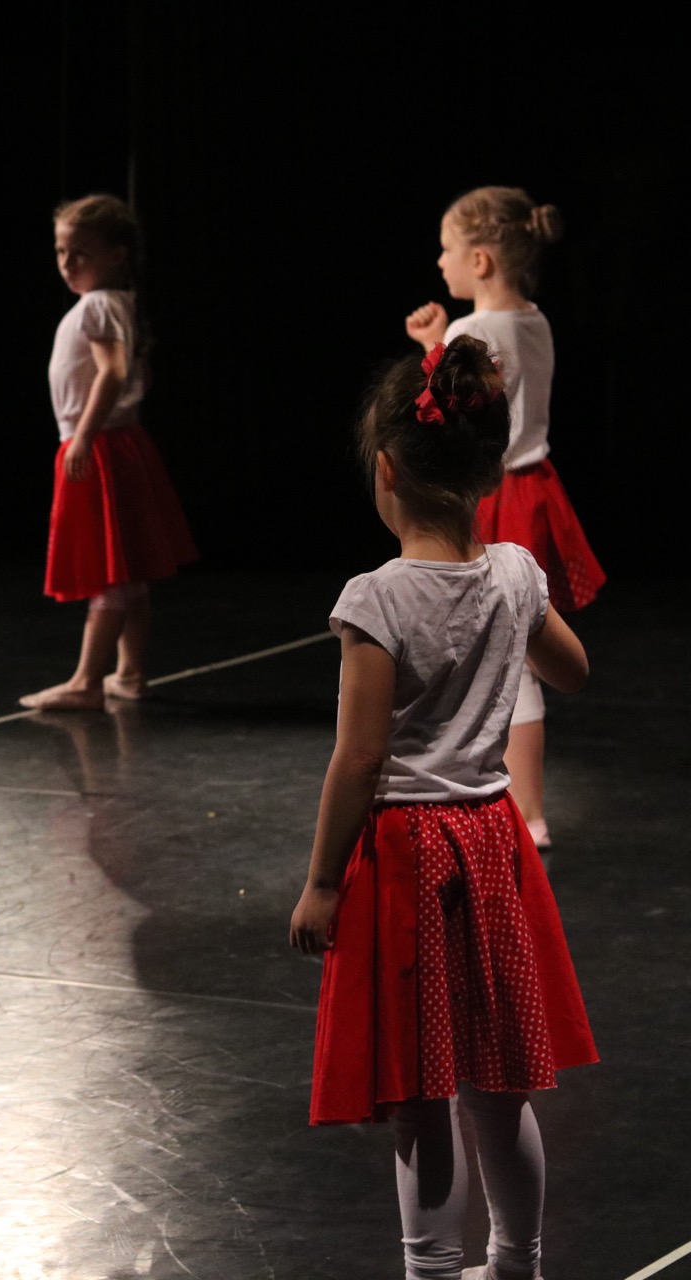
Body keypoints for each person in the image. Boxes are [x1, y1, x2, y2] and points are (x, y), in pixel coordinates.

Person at [290, 338, 596, 1280]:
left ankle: (432, 1271)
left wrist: (317, 883)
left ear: (386, 473)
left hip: (405, 857)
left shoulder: (377, 599)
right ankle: (516, 1264)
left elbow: (361, 755)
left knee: (422, 1091)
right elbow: (572, 670)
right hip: (492, 842)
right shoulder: (513, 573)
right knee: (501, 1085)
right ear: (490, 469)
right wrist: (515, 626)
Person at [404, 186, 601, 849]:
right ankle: (525, 806)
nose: (440, 262)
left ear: (481, 261)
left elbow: (454, 409)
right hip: (537, 490)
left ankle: (522, 810)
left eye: (448, 249)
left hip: (493, 498)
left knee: (504, 657)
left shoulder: (473, 332)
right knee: (515, 647)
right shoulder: (536, 322)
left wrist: (437, 350)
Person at [20, 195, 195, 711]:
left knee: (109, 571)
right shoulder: (119, 302)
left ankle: (85, 681)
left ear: (116, 255)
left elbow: (113, 373)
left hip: (101, 444)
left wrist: (84, 435)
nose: (67, 264)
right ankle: (130, 671)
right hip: (121, 442)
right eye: (60, 252)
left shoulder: (98, 305)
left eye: (81, 253)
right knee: (130, 570)